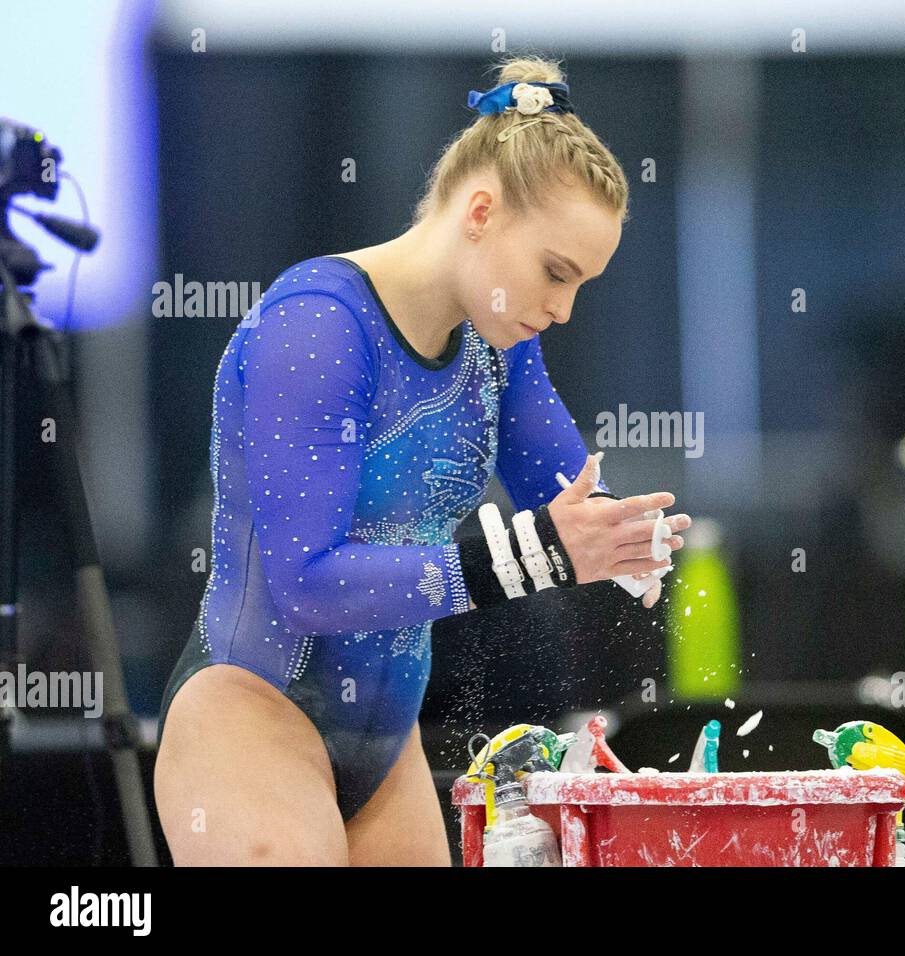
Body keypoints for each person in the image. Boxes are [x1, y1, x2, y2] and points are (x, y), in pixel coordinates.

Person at [153, 55, 691, 865]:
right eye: (554, 273)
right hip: (251, 718)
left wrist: (622, 538)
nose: (563, 309)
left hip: (383, 745)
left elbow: (572, 495)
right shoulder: (316, 328)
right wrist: (538, 552)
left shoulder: (499, 345)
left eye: (582, 286)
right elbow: (305, 583)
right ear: (480, 211)